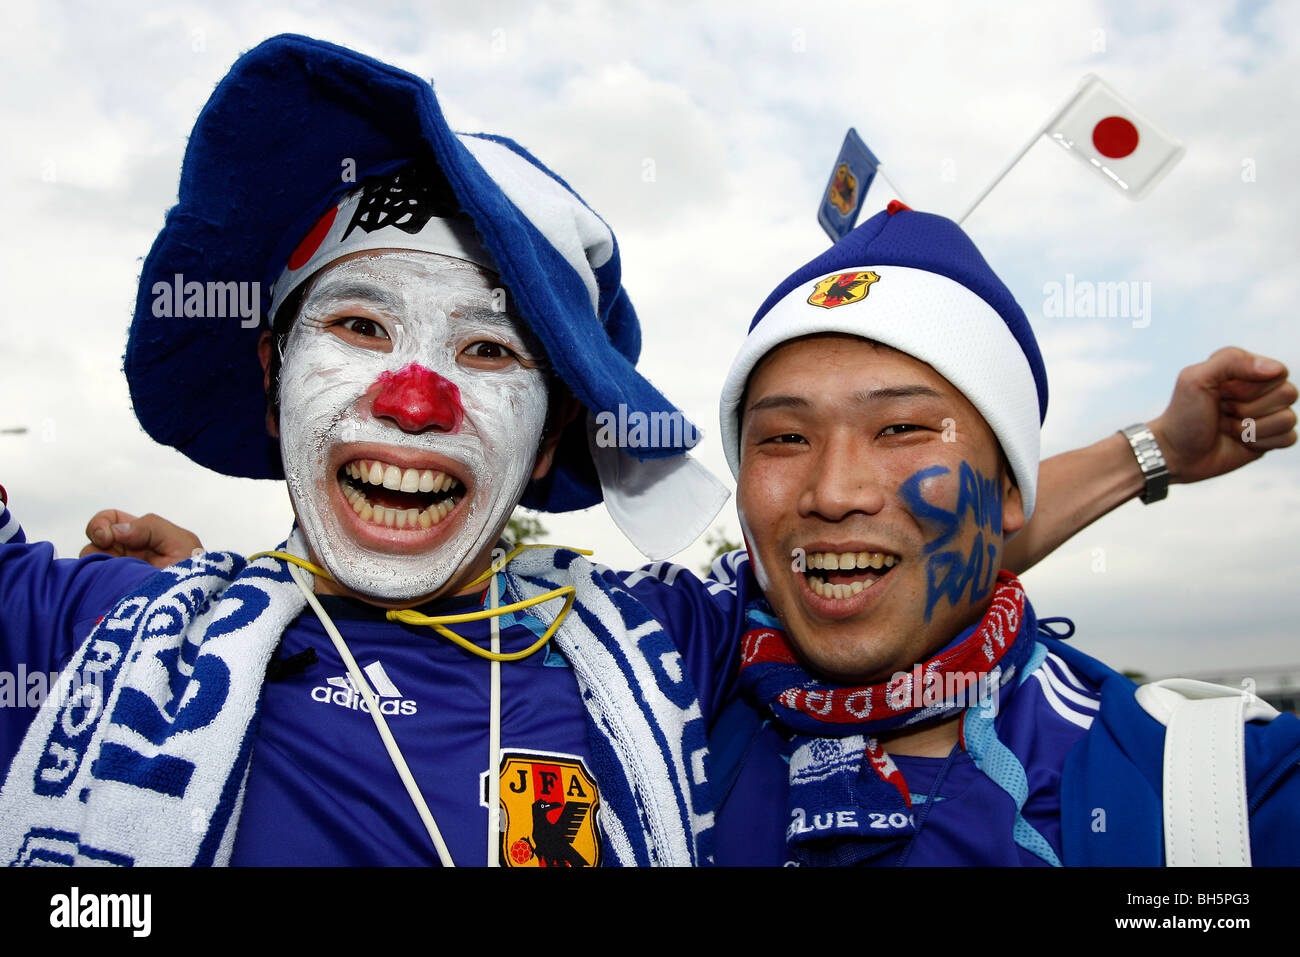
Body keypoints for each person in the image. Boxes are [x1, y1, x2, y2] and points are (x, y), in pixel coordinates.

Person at [0, 34, 742, 868]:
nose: (413, 403)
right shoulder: (91, 635)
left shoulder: (678, 644)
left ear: (549, 436)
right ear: (274, 379)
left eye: (488, 351)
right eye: (361, 326)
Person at [707, 202, 1300, 866]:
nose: (834, 492)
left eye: (901, 428)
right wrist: (1155, 448)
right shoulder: (667, 684)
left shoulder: (1211, 784)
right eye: (785, 437)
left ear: (1011, 489)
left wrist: (1158, 449)